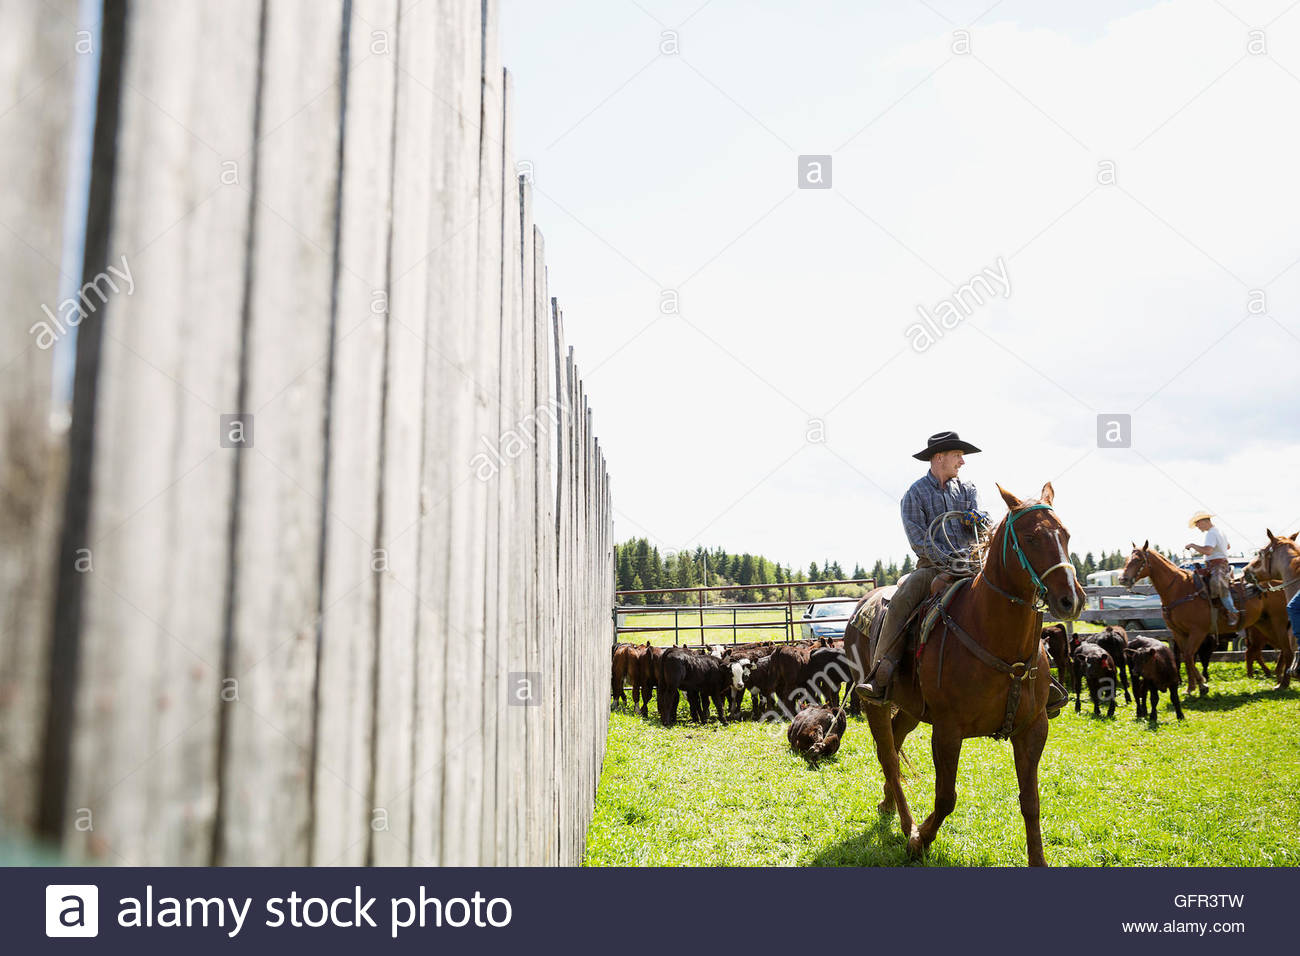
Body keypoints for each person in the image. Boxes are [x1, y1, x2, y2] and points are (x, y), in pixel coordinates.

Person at [858, 431, 986, 704]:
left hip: (972, 565)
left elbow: (982, 526)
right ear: (939, 458)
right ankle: (883, 671)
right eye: (958, 456)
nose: (962, 462)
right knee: (904, 597)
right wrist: (949, 562)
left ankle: (1037, 673)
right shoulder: (915, 494)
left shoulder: (967, 490)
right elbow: (919, 541)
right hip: (933, 567)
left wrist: (979, 519)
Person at [1184, 511, 1239, 628]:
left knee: (1218, 586)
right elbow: (1228, 546)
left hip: (1217, 565)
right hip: (1218, 564)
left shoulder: (1211, 533)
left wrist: (1193, 545)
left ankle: (1232, 612)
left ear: (1204, 521)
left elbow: (1208, 551)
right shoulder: (1219, 531)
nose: (1197, 527)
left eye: (1198, 524)